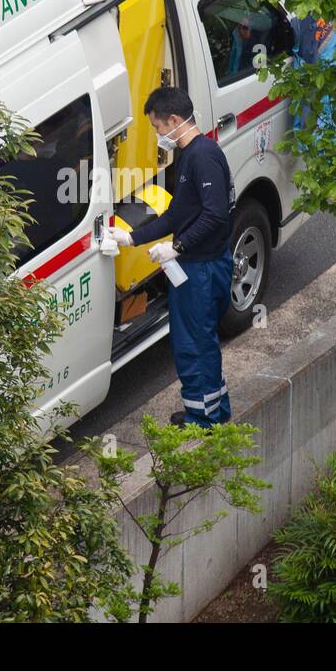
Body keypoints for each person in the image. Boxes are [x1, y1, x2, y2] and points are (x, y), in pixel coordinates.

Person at [106, 87, 236, 428]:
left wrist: (177, 248)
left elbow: (215, 214)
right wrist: (131, 237)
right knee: (196, 341)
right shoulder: (190, 155)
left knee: (194, 344)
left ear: (175, 120)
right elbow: (176, 216)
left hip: (201, 269)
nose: (158, 135)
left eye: (158, 128)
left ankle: (203, 419)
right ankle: (214, 410)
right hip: (197, 266)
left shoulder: (201, 156)